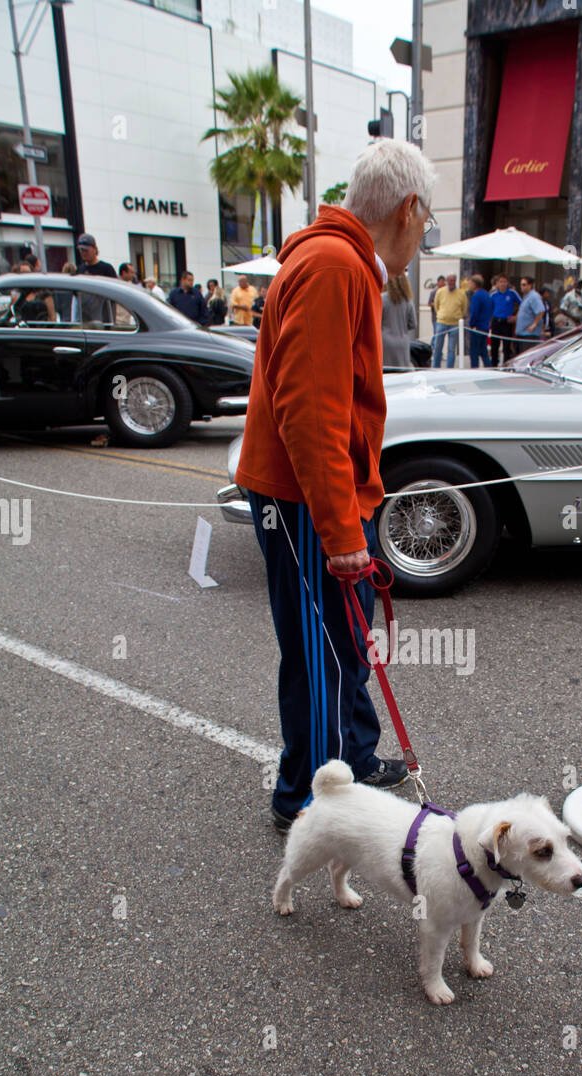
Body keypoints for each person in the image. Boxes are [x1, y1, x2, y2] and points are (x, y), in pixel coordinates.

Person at [233, 137, 437, 831]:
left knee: (341, 638)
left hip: (313, 495)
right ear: (409, 209)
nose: (423, 235)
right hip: (302, 499)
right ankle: (307, 800)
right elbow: (312, 408)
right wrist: (343, 530)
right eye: (428, 221)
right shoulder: (333, 265)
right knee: (320, 649)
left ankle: (352, 755)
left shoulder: (335, 259)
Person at [381, 273, 417, 368]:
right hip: (403, 342)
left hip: (385, 342)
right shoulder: (408, 300)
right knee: (401, 374)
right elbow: (413, 323)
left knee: (387, 374)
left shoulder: (382, 298)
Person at [432, 273, 467, 367]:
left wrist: (457, 316)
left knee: (451, 349)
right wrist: (441, 315)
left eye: (453, 280)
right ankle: (435, 368)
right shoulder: (440, 292)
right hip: (441, 322)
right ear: (447, 281)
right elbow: (436, 305)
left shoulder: (461, 293)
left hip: (455, 323)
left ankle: (449, 369)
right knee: (437, 347)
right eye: (450, 280)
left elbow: (464, 308)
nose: (452, 282)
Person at [489, 273, 522, 365]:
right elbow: (489, 307)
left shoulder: (512, 293)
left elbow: (522, 304)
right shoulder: (493, 295)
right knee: (494, 345)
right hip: (496, 321)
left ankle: (506, 364)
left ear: (507, 283)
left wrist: (516, 316)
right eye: (501, 282)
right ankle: (494, 364)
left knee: (506, 345)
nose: (502, 283)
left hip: (507, 322)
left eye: (504, 281)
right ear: (497, 283)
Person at [468, 273, 493, 367]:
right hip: (485, 326)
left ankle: (474, 370)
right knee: (483, 351)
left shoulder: (476, 296)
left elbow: (474, 312)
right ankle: (489, 367)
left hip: (477, 327)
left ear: (474, 284)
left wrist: (471, 324)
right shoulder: (487, 295)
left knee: (474, 352)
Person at [515, 275, 545, 349]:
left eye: (524, 285)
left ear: (530, 285)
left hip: (529, 334)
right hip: (522, 333)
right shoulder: (526, 296)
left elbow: (540, 311)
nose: (522, 286)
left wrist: (534, 324)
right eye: (521, 284)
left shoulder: (534, 296)